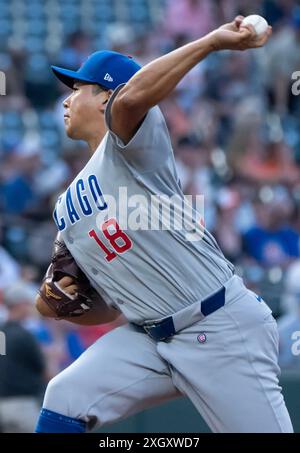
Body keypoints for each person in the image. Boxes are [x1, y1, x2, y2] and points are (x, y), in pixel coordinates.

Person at [35, 16, 293, 433]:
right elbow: (100, 305)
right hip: (149, 338)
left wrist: (210, 42)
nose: (66, 100)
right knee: (65, 396)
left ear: (107, 98)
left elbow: (134, 98)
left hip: (219, 326)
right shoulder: (66, 206)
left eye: (78, 88)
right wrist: (54, 303)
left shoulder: (134, 146)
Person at [0, 280, 46, 432]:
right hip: (22, 405)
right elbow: (44, 370)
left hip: (3, 406)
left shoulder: (1, 333)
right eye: (27, 303)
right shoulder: (25, 335)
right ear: (20, 305)